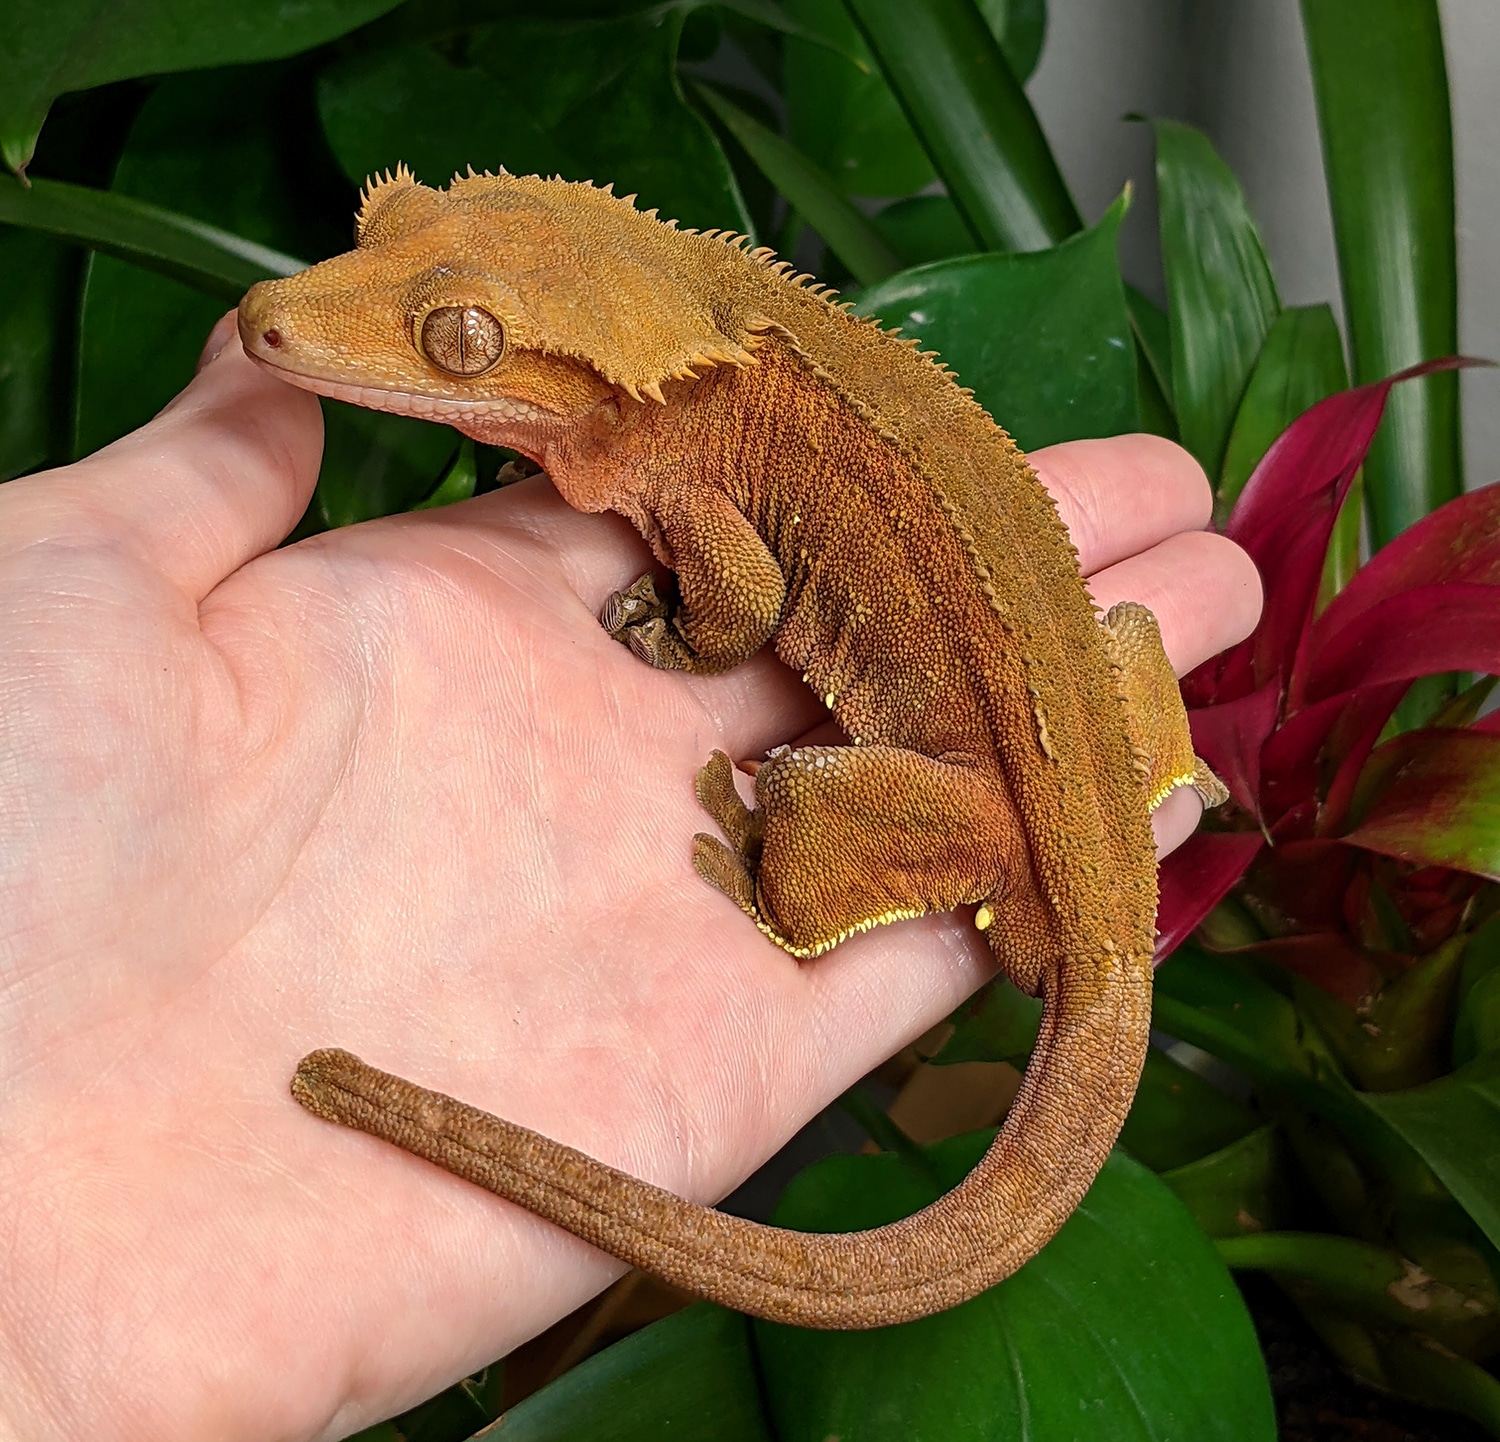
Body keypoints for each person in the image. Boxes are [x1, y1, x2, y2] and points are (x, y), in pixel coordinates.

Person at [0, 312, 1262, 1440]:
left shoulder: (689, 437)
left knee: (811, 790)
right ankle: (1162, 769)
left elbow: (735, 601)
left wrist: (698, 643)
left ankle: (794, 901)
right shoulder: (712, 372)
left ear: (601, 378)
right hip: (1098, 733)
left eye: (453, 341)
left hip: (1011, 808)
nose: (302, 311)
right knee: (1130, 628)